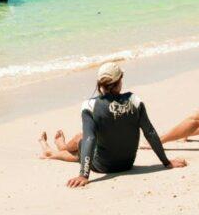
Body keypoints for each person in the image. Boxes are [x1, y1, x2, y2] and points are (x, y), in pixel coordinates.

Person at [37, 62, 187, 187]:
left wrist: (84, 175)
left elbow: (90, 139)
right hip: (127, 163)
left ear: (99, 84)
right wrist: (167, 163)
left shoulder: (90, 105)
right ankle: (54, 151)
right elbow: (150, 132)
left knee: (81, 139)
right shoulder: (135, 100)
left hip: (103, 167)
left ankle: (57, 150)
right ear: (120, 81)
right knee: (87, 142)